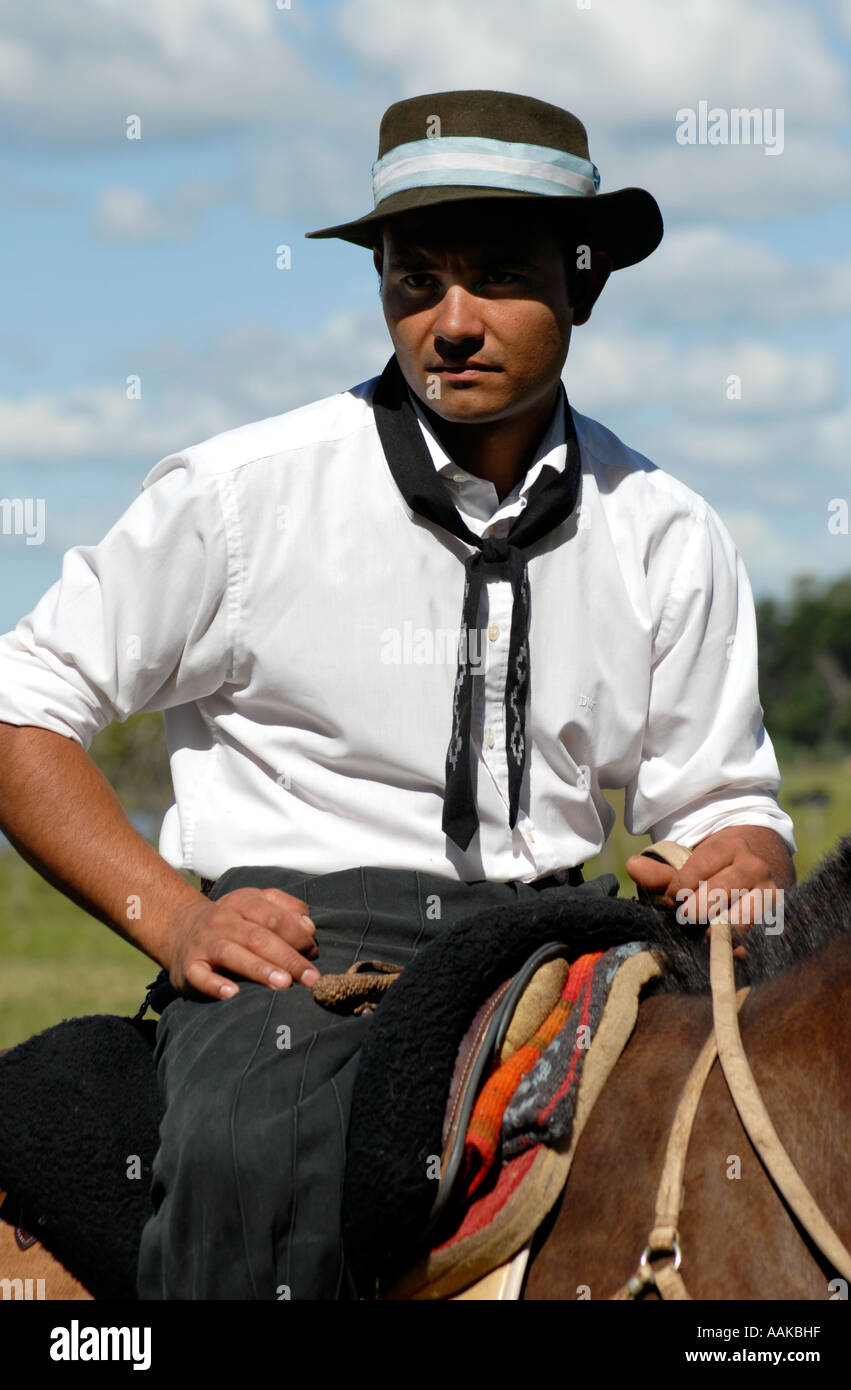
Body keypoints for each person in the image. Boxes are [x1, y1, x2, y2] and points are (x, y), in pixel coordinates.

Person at [0, 90, 795, 1299]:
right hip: (305, 957)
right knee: (249, 1162)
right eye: (415, 278)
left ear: (582, 287)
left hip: (560, 939)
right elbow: (24, 706)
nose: (452, 322)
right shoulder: (240, 496)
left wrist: (739, 862)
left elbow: (724, 803)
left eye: (497, 276)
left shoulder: (668, 532)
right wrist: (171, 915)